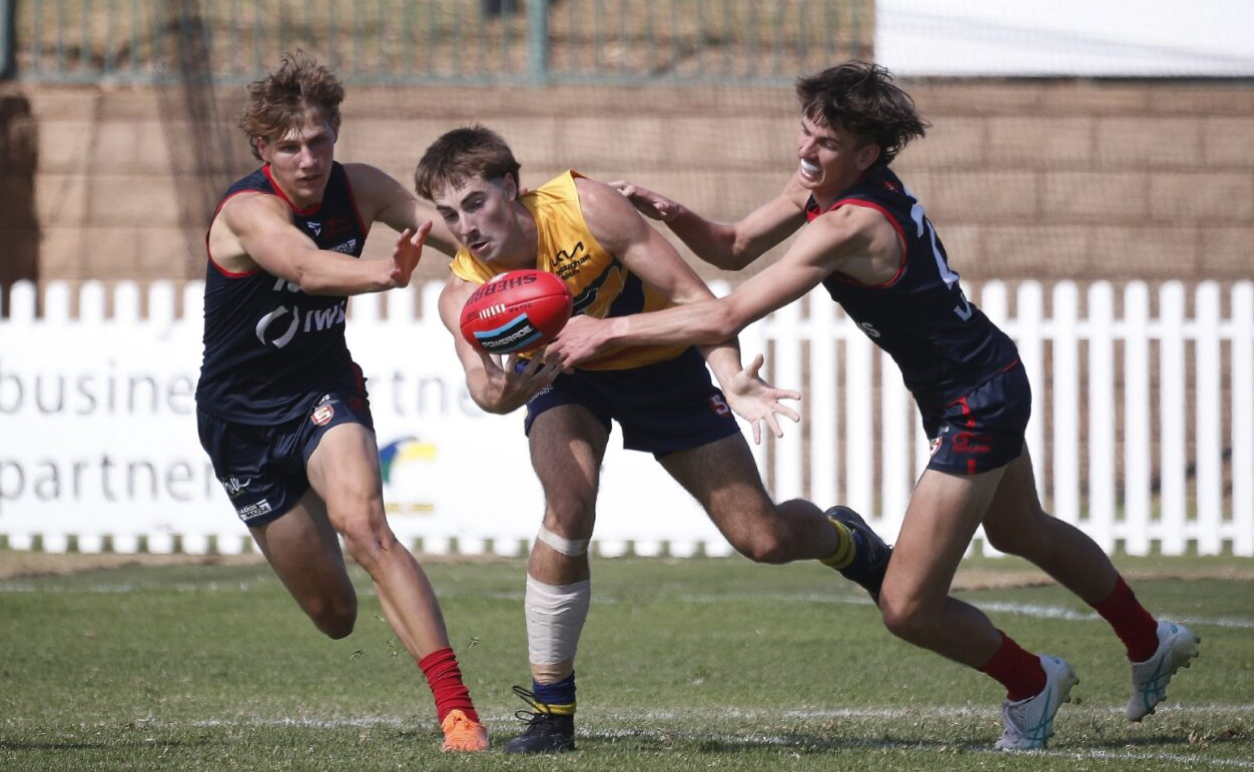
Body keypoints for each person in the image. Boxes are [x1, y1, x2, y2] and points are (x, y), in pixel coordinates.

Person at [546, 61, 1201, 751]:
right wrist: (670, 211)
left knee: (905, 605)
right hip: (982, 378)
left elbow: (725, 315)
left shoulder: (851, 222)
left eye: (824, 143)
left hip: (977, 399)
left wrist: (608, 328)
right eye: (804, 132)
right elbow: (733, 247)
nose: (805, 152)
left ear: (867, 155)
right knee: (1022, 531)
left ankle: (1032, 681)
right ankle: (1147, 639)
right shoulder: (824, 187)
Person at [413, 125, 893, 754]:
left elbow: (696, 297)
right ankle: (551, 715)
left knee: (764, 537)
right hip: (566, 381)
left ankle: (845, 540)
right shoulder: (465, 292)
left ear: (512, 186)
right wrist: (514, 389)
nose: (465, 227)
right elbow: (484, 388)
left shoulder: (585, 207)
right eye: (449, 215)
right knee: (568, 505)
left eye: (475, 203)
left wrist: (731, 378)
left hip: (659, 364)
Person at [193, 52, 489, 753]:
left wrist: (526, 257)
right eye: (290, 146)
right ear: (263, 149)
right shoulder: (247, 211)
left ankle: (458, 714)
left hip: (323, 395)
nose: (307, 158)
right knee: (335, 615)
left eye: (319, 140)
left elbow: (457, 235)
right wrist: (384, 273)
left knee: (365, 528)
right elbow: (301, 266)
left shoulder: (360, 189)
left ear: (336, 134)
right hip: (240, 423)